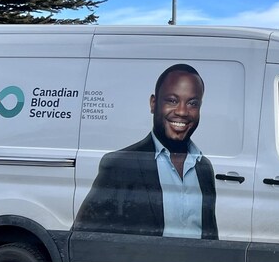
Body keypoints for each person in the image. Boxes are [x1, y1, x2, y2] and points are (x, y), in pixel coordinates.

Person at [74, 63, 218, 239]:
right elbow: (85, 236)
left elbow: (210, 239)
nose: (182, 111)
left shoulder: (204, 168)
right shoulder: (120, 165)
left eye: (192, 103)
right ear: (153, 103)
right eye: (172, 100)